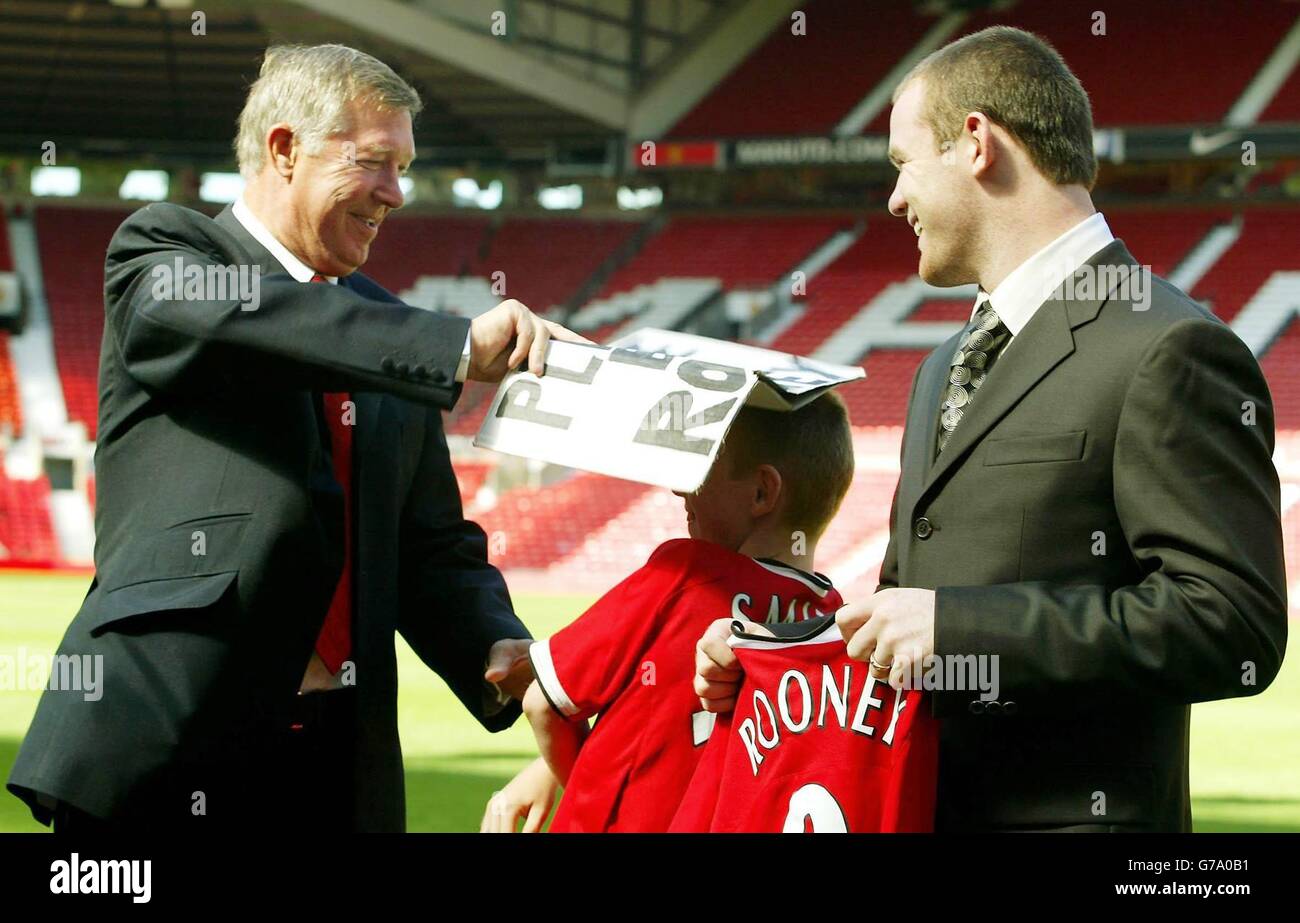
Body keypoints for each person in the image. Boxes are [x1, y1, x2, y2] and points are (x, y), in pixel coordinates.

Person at [694, 26, 1288, 832]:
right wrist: (773, 653)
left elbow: (1230, 624)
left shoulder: (1168, 346)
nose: (894, 200)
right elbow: (906, 613)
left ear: (976, 143)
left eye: (903, 165)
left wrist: (963, 629)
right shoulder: (942, 367)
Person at [8, 43, 589, 833]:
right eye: (376, 162)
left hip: (336, 773)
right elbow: (255, 315)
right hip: (167, 752)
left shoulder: (389, 333)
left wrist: (512, 661)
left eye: (404, 167)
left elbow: (429, 551)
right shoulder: (164, 255)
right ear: (285, 149)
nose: (397, 193)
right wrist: (451, 346)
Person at [480, 393, 854, 832]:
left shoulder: (684, 573)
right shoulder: (835, 625)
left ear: (761, 492)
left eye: (704, 469)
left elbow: (543, 702)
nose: (681, 488)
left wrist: (580, 783)